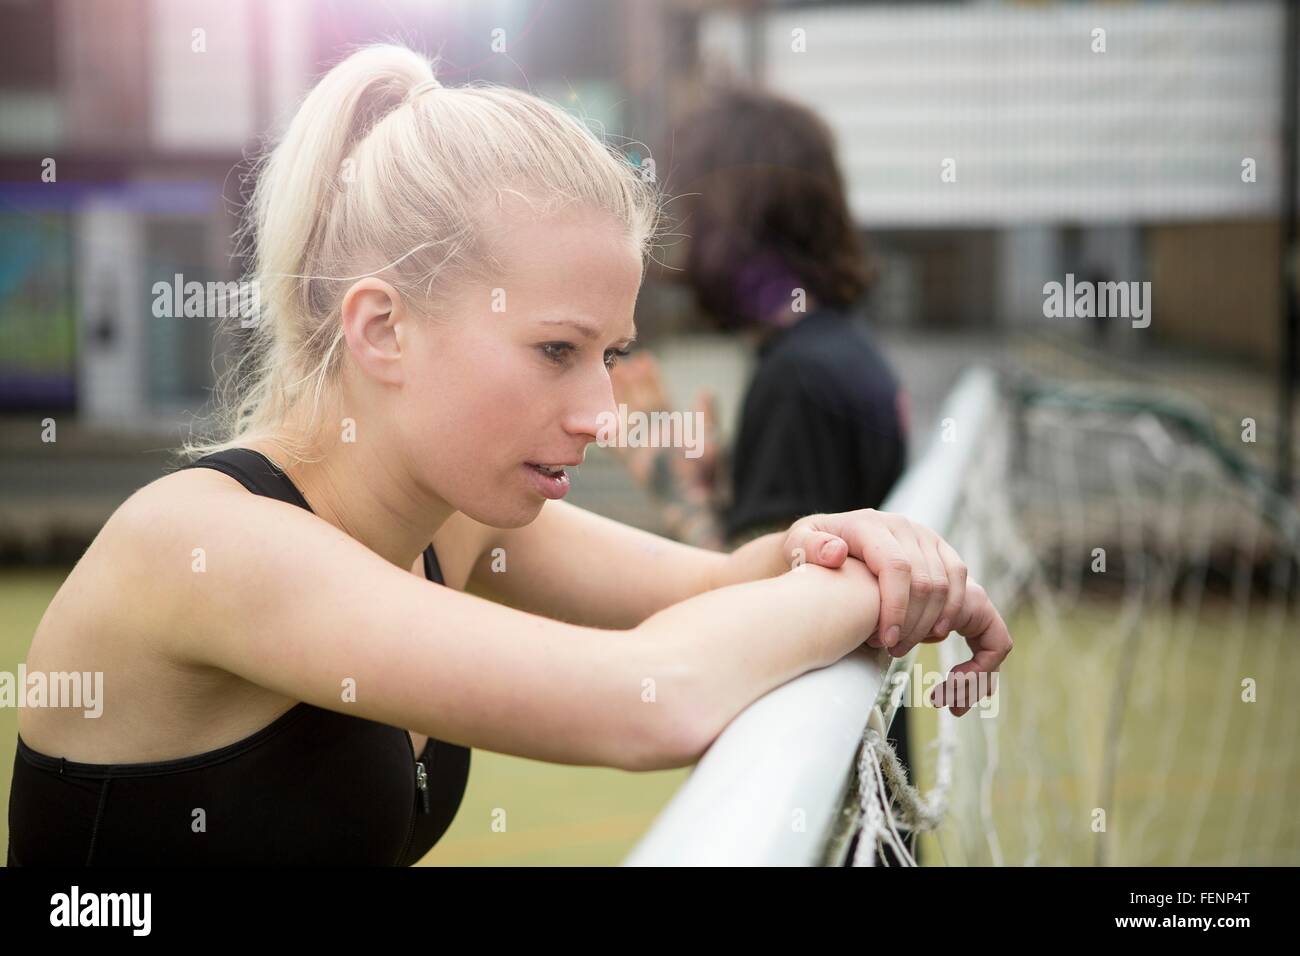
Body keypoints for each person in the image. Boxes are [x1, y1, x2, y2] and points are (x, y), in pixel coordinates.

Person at [7, 45, 1010, 866]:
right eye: (556, 351)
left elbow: (714, 585)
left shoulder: (451, 517)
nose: (602, 415)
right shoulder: (207, 546)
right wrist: (873, 591)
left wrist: (851, 540)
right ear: (383, 329)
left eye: (610, 355)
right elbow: (650, 697)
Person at [610, 88, 919, 859]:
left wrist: (673, 490)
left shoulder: (798, 379)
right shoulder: (843, 349)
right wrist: (718, 487)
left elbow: (766, 617)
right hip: (865, 769)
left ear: (733, 221)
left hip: (822, 795)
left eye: (690, 209)